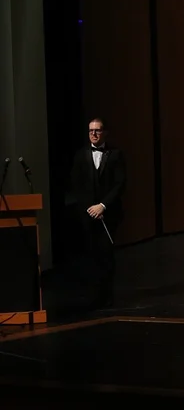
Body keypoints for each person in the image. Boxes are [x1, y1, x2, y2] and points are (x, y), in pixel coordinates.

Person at [65, 118, 127, 307]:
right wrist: (90, 208)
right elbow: (76, 185)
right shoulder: (80, 155)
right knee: (90, 255)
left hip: (109, 213)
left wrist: (103, 206)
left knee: (106, 253)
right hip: (87, 214)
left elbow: (120, 184)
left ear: (104, 133)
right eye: (91, 130)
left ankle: (107, 294)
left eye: (97, 130)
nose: (93, 134)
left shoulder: (116, 154)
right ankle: (92, 295)